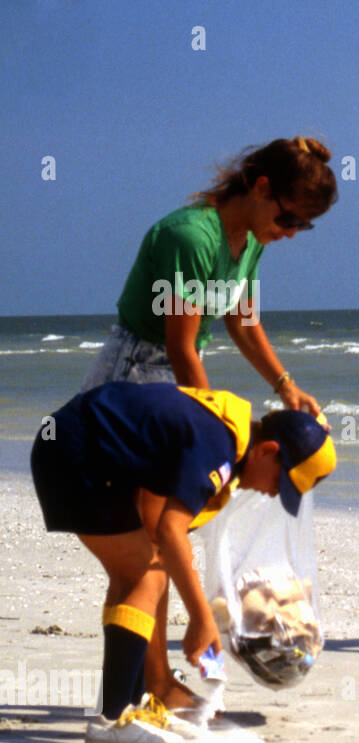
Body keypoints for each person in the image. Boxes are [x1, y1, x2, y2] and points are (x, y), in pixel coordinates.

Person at [79, 136, 338, 712]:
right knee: (151, 547)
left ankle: (147, 680)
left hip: (170, 379)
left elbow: (243, 324)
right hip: (134, 374)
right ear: (260, 187)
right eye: (289, 217)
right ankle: (149, 683)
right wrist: (209, 433)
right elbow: (179, 343)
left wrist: (284, 386)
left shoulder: (249, 242)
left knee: (158, 546)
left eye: (305, 228)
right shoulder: (189, 237)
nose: (290, 232)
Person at [30, 382, 336, 743]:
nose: (273, 493)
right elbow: (172, 531)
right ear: (268, 451)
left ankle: (137, 699)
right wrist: (201, 619)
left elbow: (159, 525)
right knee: (146, 576)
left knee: (139, 571)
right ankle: (110, 720)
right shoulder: (218, 447)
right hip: (75, 456)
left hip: (76, 448)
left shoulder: (226, 436)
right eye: (280, 483)